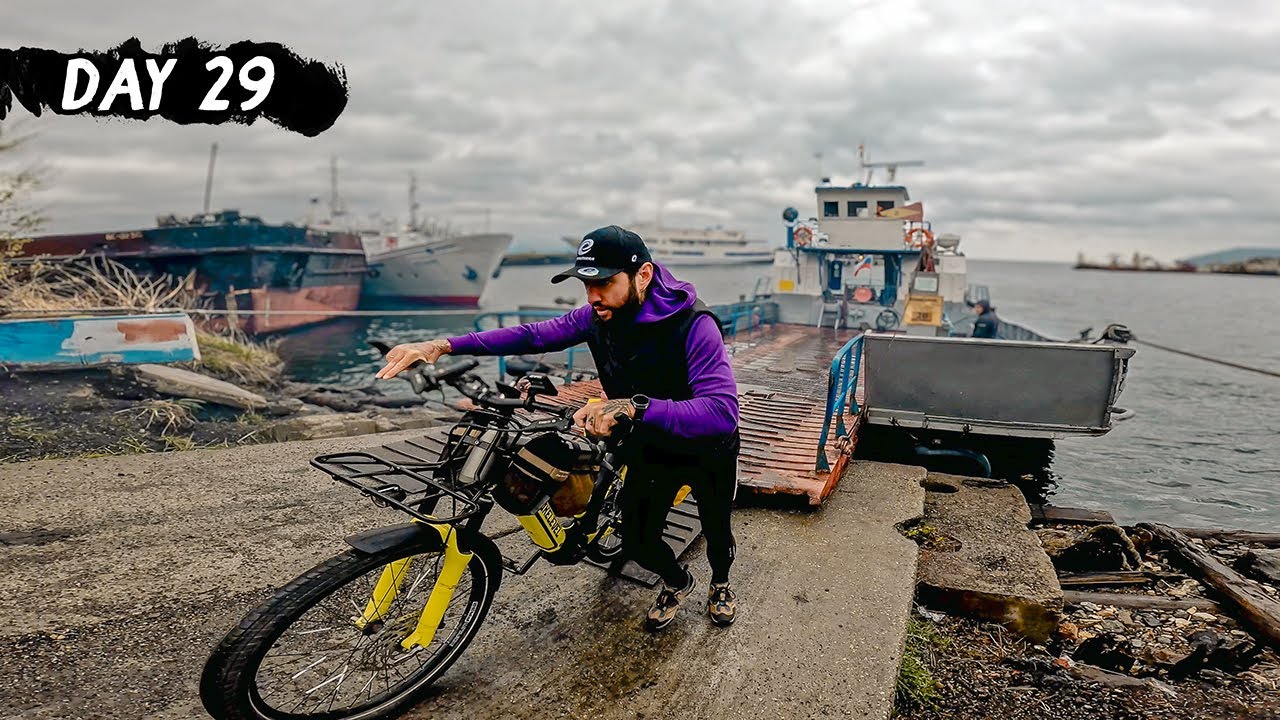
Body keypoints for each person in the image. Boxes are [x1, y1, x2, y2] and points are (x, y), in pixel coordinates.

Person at [375, 225, 741, 632]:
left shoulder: (693, 324)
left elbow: (722, 411)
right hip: (650, 447)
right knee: (639, 541)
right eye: (586, 284)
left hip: (706, 448)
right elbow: (532, 335)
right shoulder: (598, 316)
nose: (592, 297)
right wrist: (441, 346)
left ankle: (721, 583)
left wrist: (633, 406)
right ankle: (678, 582)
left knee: (716, 529)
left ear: (643, 275)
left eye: (603, 283)